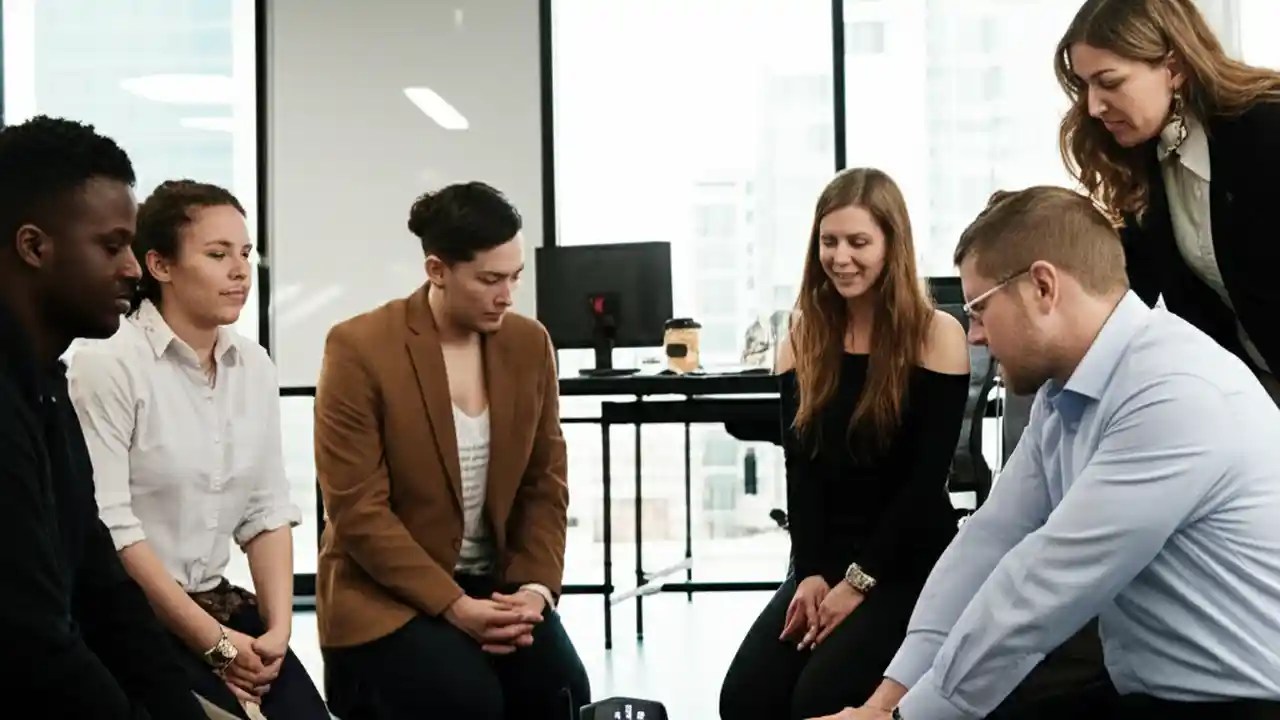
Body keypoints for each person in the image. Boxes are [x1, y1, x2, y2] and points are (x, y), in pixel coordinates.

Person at [816, 186, 1280, 720]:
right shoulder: (1065, 395)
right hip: (1153, 690)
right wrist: (884, 701)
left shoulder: (1174, 393)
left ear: (1042, 286)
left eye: (978, 309)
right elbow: (990, 542)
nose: (974, 335)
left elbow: (1042, 587)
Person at [315, 181, 590, 719]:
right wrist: (455, 605)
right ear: (437, 270)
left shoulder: (529, 344)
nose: (506, 295)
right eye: (489, 279)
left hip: (498, 587)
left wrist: (534, 591)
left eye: (514, 278)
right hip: (386, 598)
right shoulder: (359, 347)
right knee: (467, 701)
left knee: (561, 690)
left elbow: (544, 482)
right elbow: (357, 512)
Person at [66, 180, 329, 719]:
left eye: (246, 254)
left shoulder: (252, 365)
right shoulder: (109, 361)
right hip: (134, 614)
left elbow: (266, 511)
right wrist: (217, 645)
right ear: (159, 265)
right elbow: (111, 527)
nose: (240, 271)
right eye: (217, 254)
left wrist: (278, 631)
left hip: (222, 603)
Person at [718, 167, 970, 720]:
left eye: (859, 242)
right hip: (825, 561)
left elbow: (924, 483)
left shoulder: (937, 336)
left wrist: (856, 583)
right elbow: (801, 470)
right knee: (745, 700)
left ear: (891, 247)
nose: (841, 257)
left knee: (821, 698)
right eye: (829, 241)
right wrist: (808, 571)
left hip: (908, 562)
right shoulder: (804, 334)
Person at [0, 115, 210, 718]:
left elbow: (103, 586)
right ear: (34, 247)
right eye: (111, 245)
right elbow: (34, 643)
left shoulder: (44, 378)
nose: (133, 268)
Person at [1055, 0, 1280, 403]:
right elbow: (1129, 290)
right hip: (1253, 394)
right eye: (1085, 84)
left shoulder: (1267, 129)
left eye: (1109, 82)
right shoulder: (1140, 160)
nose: (1093, 106)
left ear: (1174, 69)